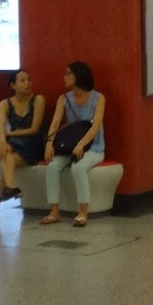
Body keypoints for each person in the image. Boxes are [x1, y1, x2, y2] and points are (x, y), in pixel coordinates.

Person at [40, 61, 106, 227]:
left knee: (79, 167)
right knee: (52, 167)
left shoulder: (98, 98)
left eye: (69, 73)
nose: (65, 77)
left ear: (79, 76)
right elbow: (55, 124)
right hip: (69, 147)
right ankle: (54, 210)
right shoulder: (64, 99)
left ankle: (83, 211)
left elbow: (96, 126)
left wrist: (82, 144)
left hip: (93, 148)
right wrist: (49, 143)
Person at [0, 69, 45, 221]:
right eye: (22, 80)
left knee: (4, 159)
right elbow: (1, 125)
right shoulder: (5, 104)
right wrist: (2, 141)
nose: (28, 83)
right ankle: (11, 186)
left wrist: (8, 135)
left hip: (32, 144)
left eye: (28, 80)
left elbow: (34, 129)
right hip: (14, 143)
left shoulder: (38, 100)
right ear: (13, 85)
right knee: (3, 151)